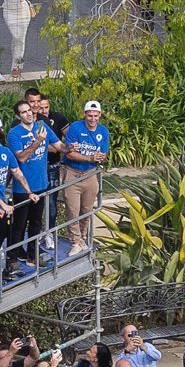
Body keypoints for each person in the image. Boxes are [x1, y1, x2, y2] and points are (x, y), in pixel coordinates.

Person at [60, 100, 109, 255]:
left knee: (86, 210)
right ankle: (75, 241)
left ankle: (82, 238)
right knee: (72, 210)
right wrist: (90, 158)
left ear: (100, 115)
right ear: (84, 114)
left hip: (90, 174)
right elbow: (70, 153)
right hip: (72, 173)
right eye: (90, 115)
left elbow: (104, 154)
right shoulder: (75, 127)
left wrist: (101, 157)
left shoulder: (103, 131)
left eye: (95, 115)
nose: (93, 119)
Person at [0, 0, 39, 78]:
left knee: (20, 39)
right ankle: (17, 63)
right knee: (16, 37)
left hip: (23, 10)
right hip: (9, 10)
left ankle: (16, 66)